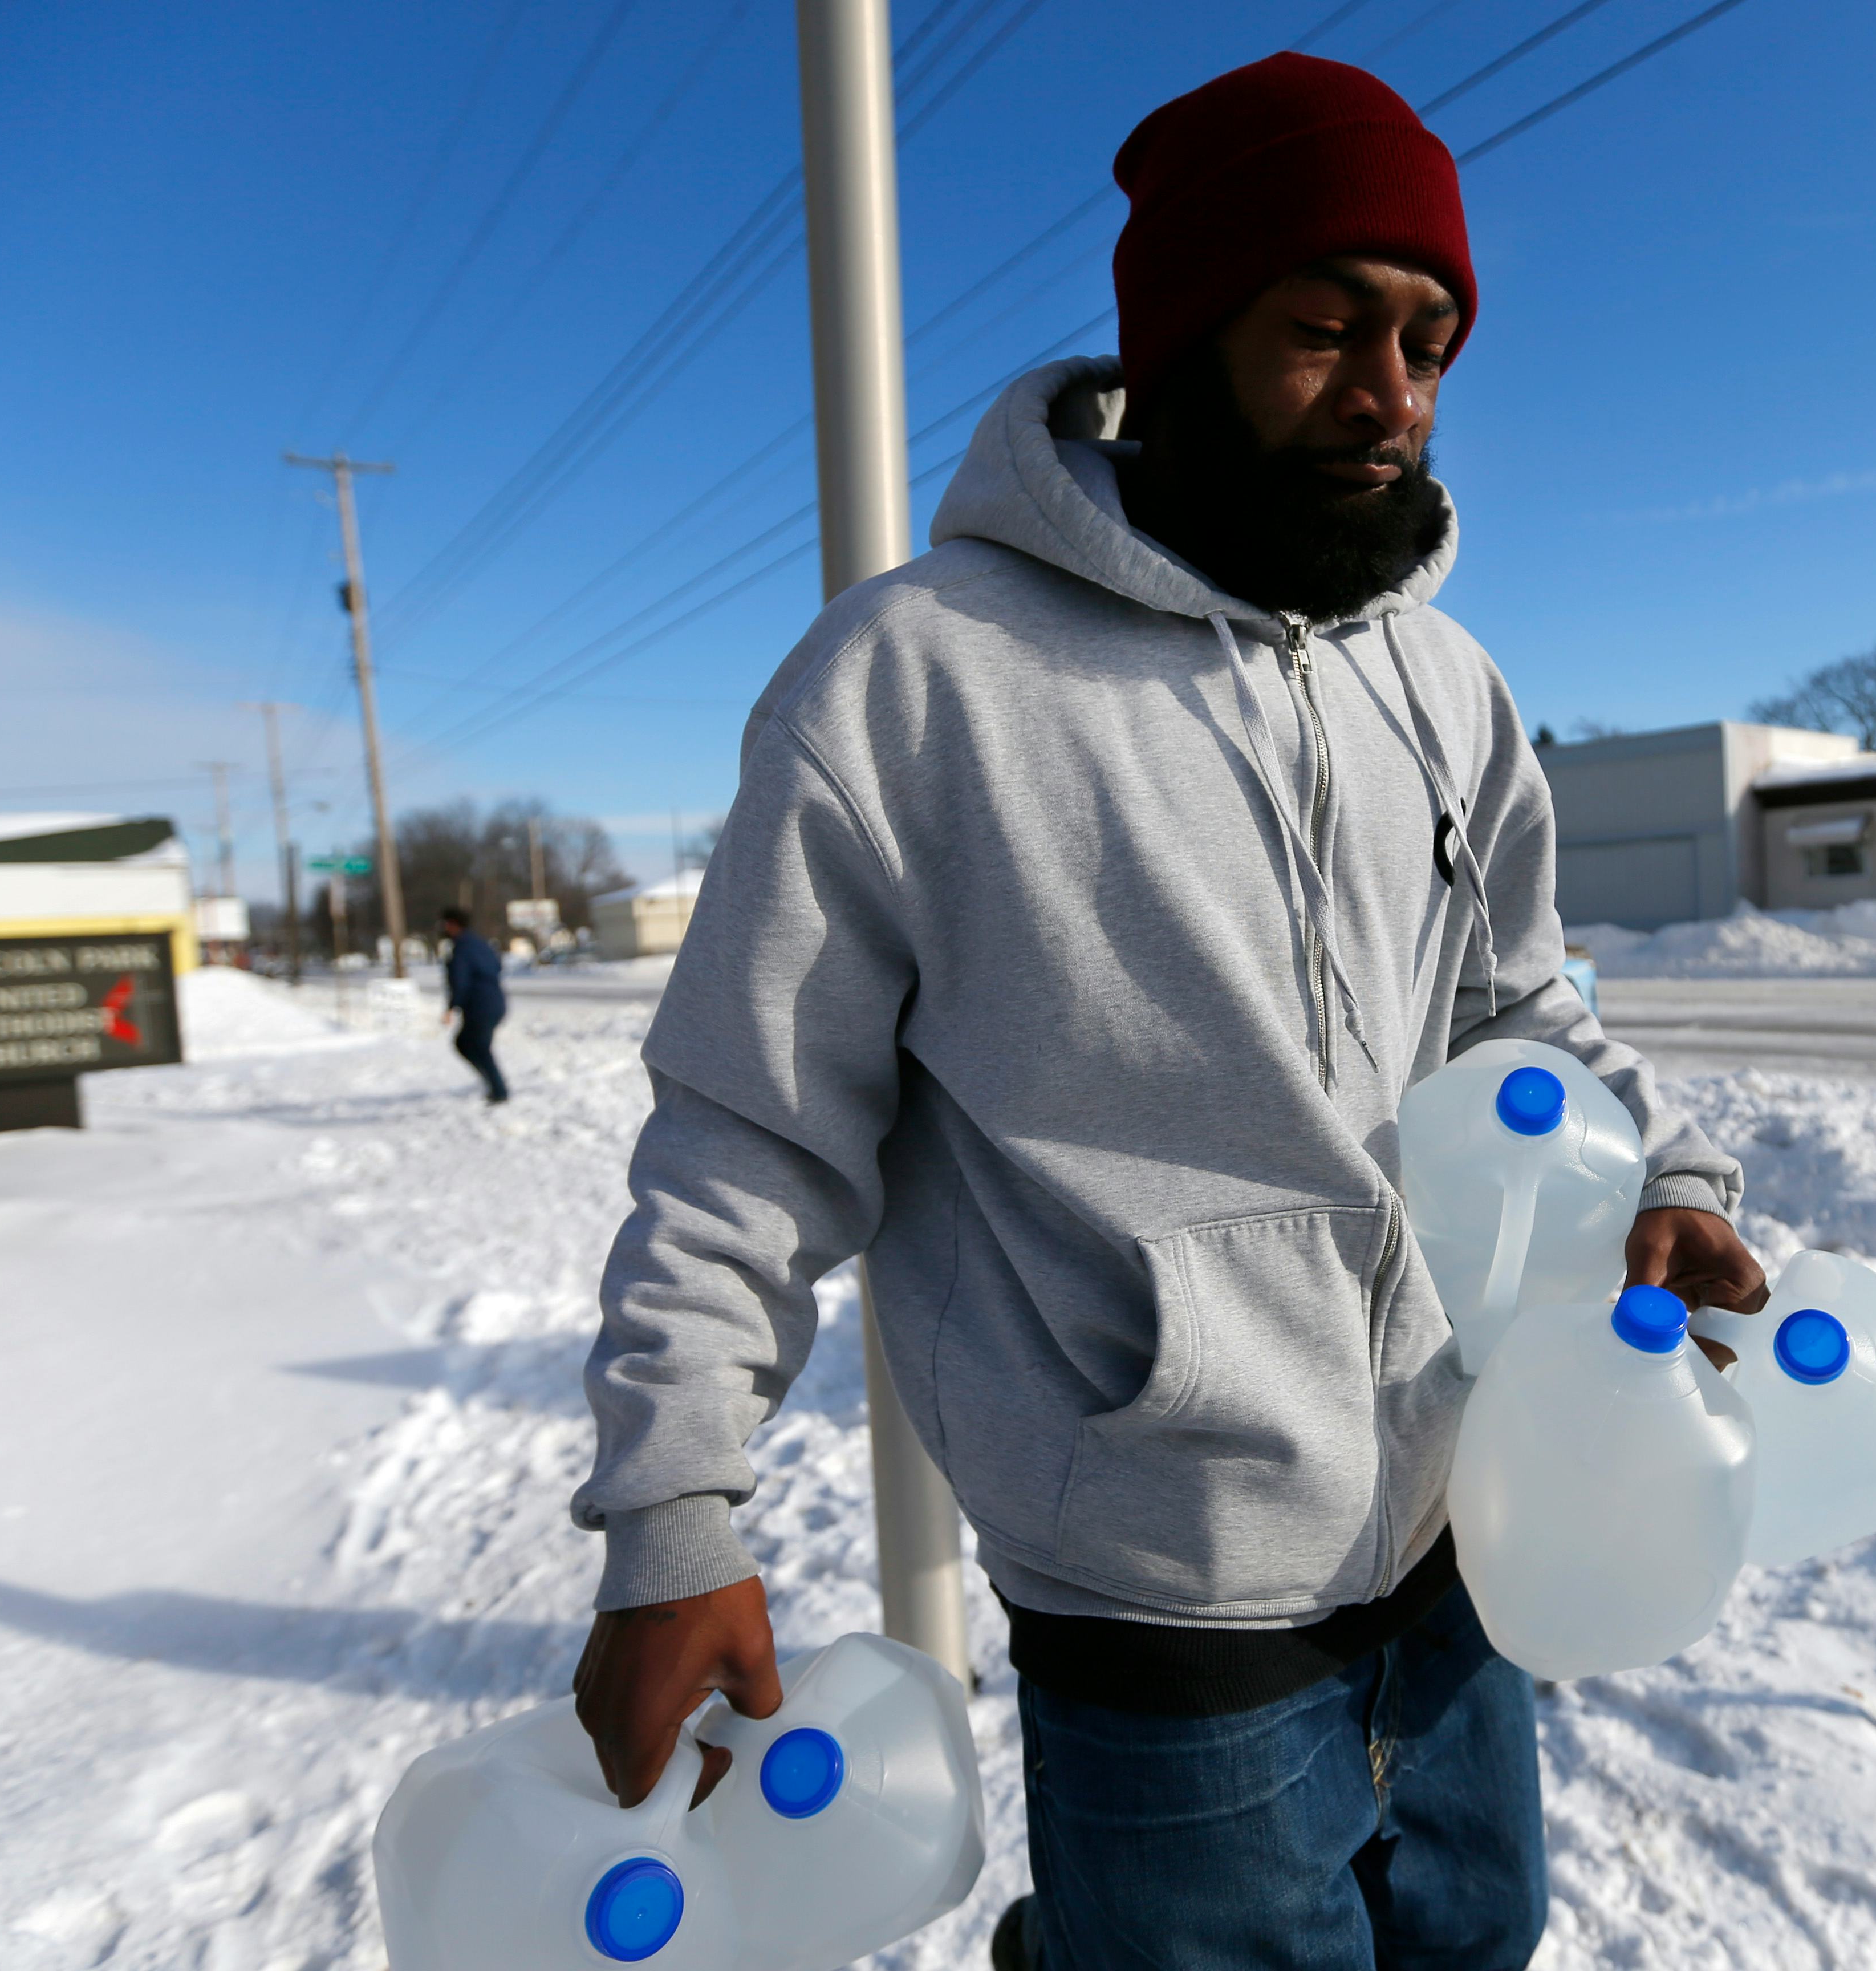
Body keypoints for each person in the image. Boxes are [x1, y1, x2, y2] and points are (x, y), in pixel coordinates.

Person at [566, 52, 1768, 1970]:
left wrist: (1663, 1164)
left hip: (1471, 1529)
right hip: (1162, 1592)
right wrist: (671, 1517)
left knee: (1478, 1938)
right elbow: (747, 1129)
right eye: (1326, 329)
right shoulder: (917, 680)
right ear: (1186, 335)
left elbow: (1520, 999)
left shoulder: (1446, 683)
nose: (1393, 394)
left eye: (1431, 341)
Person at [438, 905, 509, 1104]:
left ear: (452, 925)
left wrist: (452, 1007)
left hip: (481, 1006)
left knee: (475, 1046)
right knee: (470, 1044)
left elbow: (460, 981)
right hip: (496, 1002)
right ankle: (494, 1085)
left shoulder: (461, 949)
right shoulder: (480, 943)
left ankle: (499, 1090)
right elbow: (497, 966)